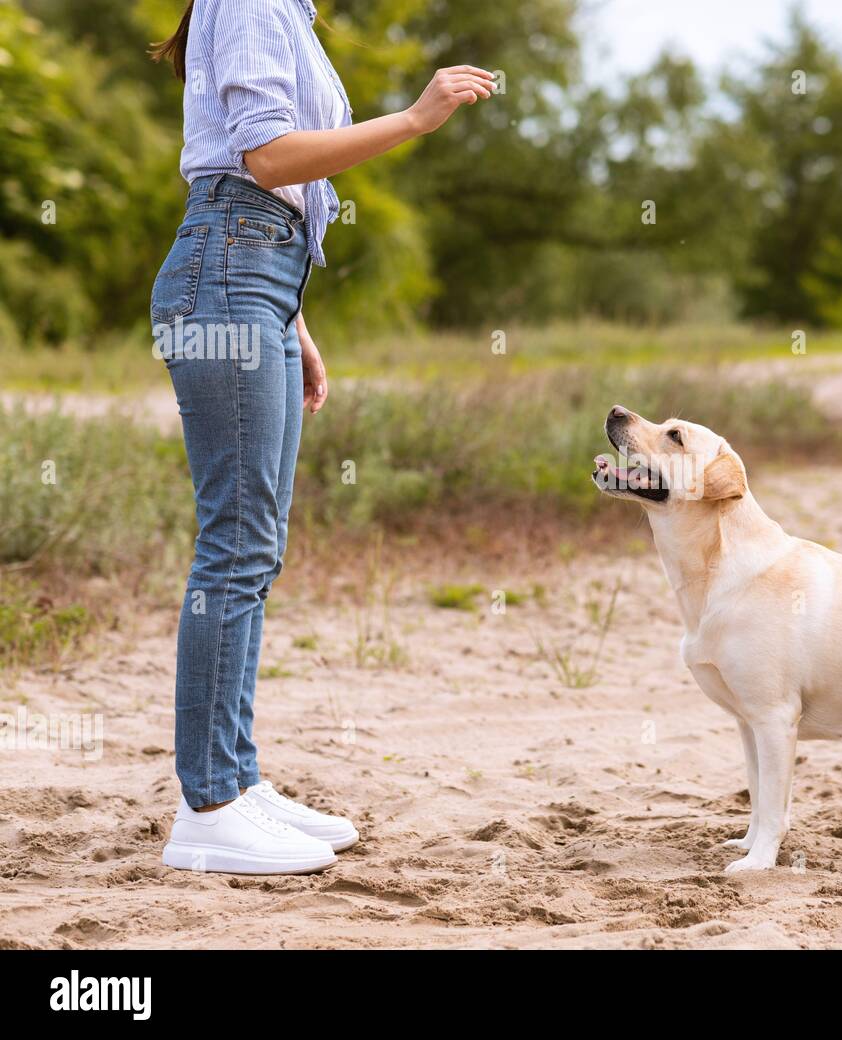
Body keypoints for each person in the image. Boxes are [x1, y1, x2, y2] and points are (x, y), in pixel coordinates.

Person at [148, 0, 494, 874]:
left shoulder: (288, 13)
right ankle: (209, 808)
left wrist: (292, 315)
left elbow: (268, 182)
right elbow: (265, 159)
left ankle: (237, 779)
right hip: (227, 274)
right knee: (235, 542)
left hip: (256, 280)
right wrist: (415, 120)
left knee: (256, 545)